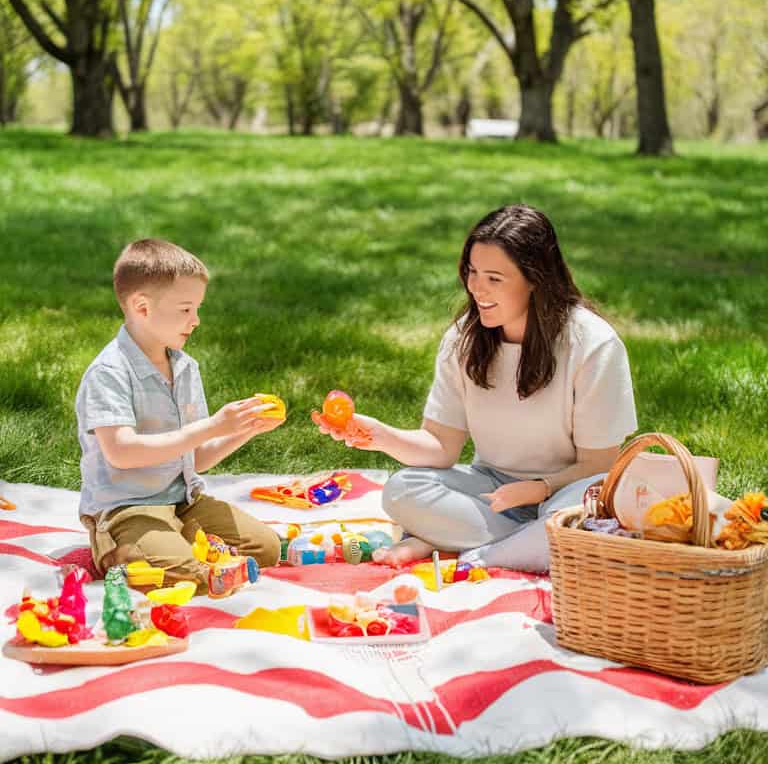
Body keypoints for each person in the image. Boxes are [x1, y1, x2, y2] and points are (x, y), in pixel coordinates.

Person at [315, 205, 637, 572]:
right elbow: (441, 447)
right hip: (492, 490)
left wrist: (540, 488)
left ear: (535, 279)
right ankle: (534, 545)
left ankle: (453, 540)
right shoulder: (463, 341)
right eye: (472, 272)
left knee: (580, 512)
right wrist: (377, 435)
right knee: (402, 489)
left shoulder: (593, 344)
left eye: (494, 278)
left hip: (566, 491)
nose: (476, 288)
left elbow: (601, 465)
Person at [76, 238, 283, 589]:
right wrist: (213, 425)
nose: (196, 320)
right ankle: (128, 551)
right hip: (129, 509)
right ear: (142, 307)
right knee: (183, 572)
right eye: (186, 309)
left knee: (266, 547)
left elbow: (196, 460)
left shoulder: (185, 367)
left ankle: (183, 547)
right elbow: (122, 453)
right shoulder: (109, 372)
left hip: (183, 503)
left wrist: (243, 429)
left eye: (197, 309)